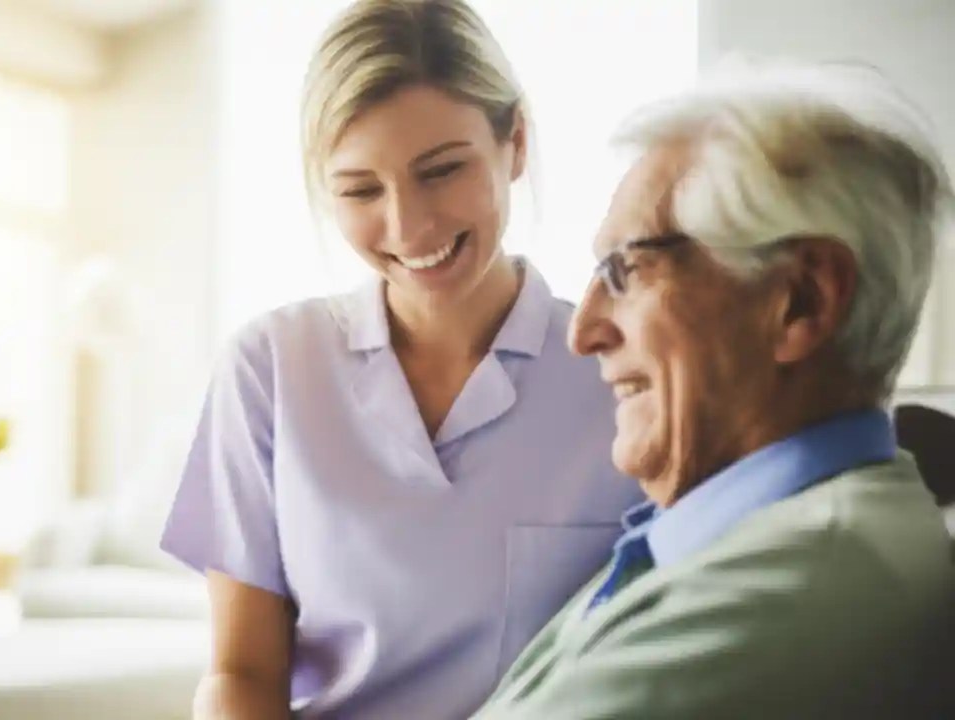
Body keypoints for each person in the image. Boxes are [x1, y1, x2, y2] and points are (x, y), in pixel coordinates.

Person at [160, 1, 642, 717]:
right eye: (360, 189)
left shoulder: (623, 374)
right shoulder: (269, 370)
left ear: (515, 144)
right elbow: (242, 672)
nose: (408, 225)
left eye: (442, 171)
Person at [474, 60, 955, 719]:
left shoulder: (787, 595)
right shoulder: (728, 534)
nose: (582, 332)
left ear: (800, 301)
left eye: (628, 269)